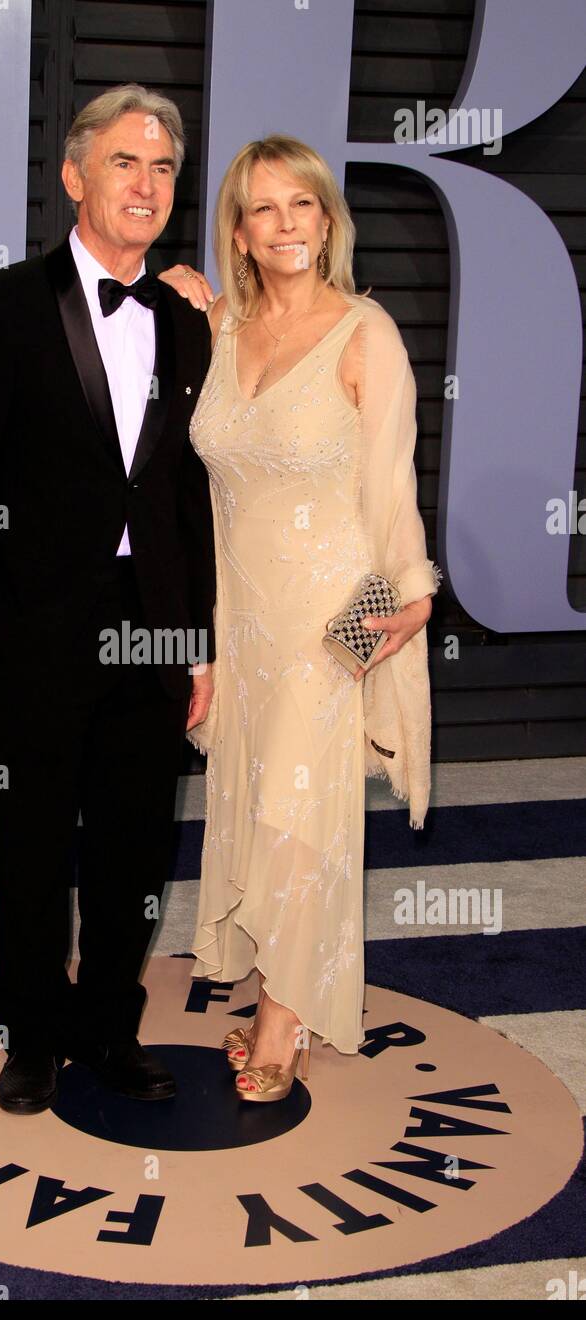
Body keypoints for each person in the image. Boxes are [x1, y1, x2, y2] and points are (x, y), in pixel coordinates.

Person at [0, 84, 216, 1115]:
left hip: (154, 621)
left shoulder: (187, 318)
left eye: (162, 167)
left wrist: (199, 639)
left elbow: (190, 494)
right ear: (74, 175)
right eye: (125, 162)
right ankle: (32, 1033)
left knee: (137, 841)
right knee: (36, 842)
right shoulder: (0, 305)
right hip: (38, 624)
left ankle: (107, 1028)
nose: (144, 184)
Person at [184, 135, 442, 1102]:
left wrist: (397, 608)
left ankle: (284, 1015)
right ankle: (274, 974)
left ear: (327, 220)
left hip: (332, 612)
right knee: (257, 798)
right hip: (243, 621)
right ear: (240, 232)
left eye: (303, 205)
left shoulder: (364, 333)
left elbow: (390, 491)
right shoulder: (220, 332)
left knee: (302, 810)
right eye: (264, 209)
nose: (286, 224)